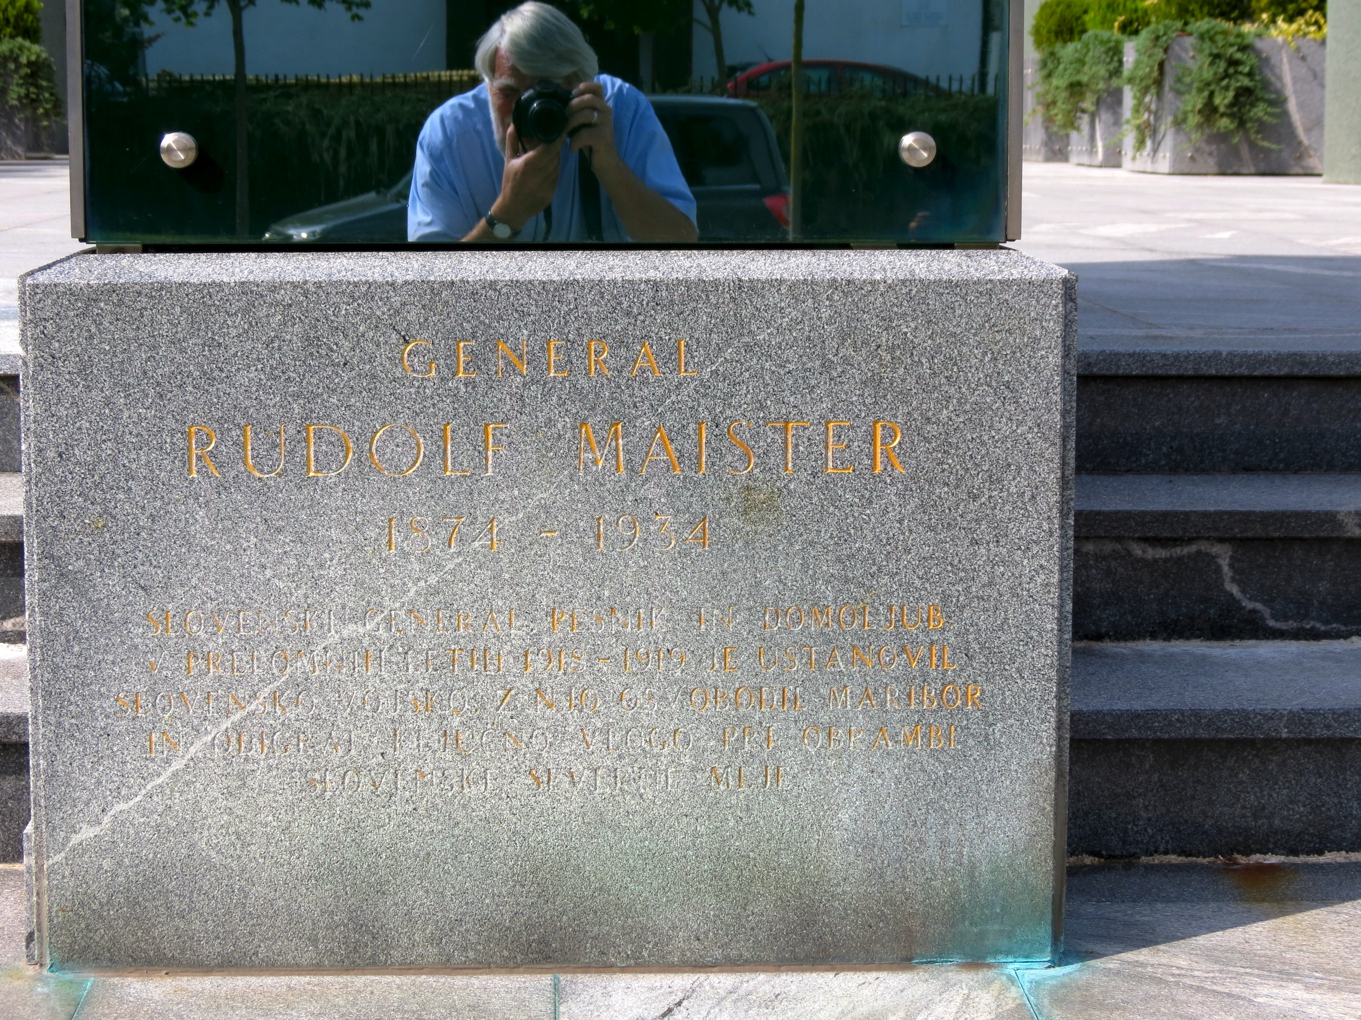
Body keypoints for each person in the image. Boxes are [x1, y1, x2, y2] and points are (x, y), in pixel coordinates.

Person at [408, 2, 697, 243]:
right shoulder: (449, 137)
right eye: (509, 93)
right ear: (488, 85)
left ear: (580, 83)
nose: (528, 111)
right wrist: (507, 215)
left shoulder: (621, 110)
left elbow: (681, 244)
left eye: (544, 93)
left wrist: (611, 169)